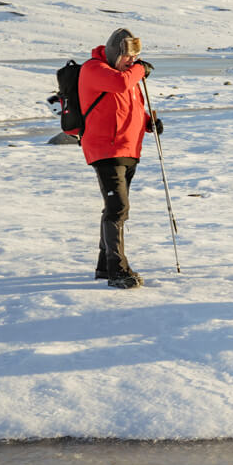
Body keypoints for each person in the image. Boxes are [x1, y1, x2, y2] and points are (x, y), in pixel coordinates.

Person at [79, 27, 158, 289]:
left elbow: (128, 106)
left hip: (128, 149)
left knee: (115, 209)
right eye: (127, 56)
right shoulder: (94, 69)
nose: (132, 61)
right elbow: (120, 84)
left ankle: (104, 266)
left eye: (136, 57)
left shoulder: (124, 73)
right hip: (106, 149)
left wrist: (148, 123)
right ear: (114, 53)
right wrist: (140, 70)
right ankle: (118, 271)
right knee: (117, 208)